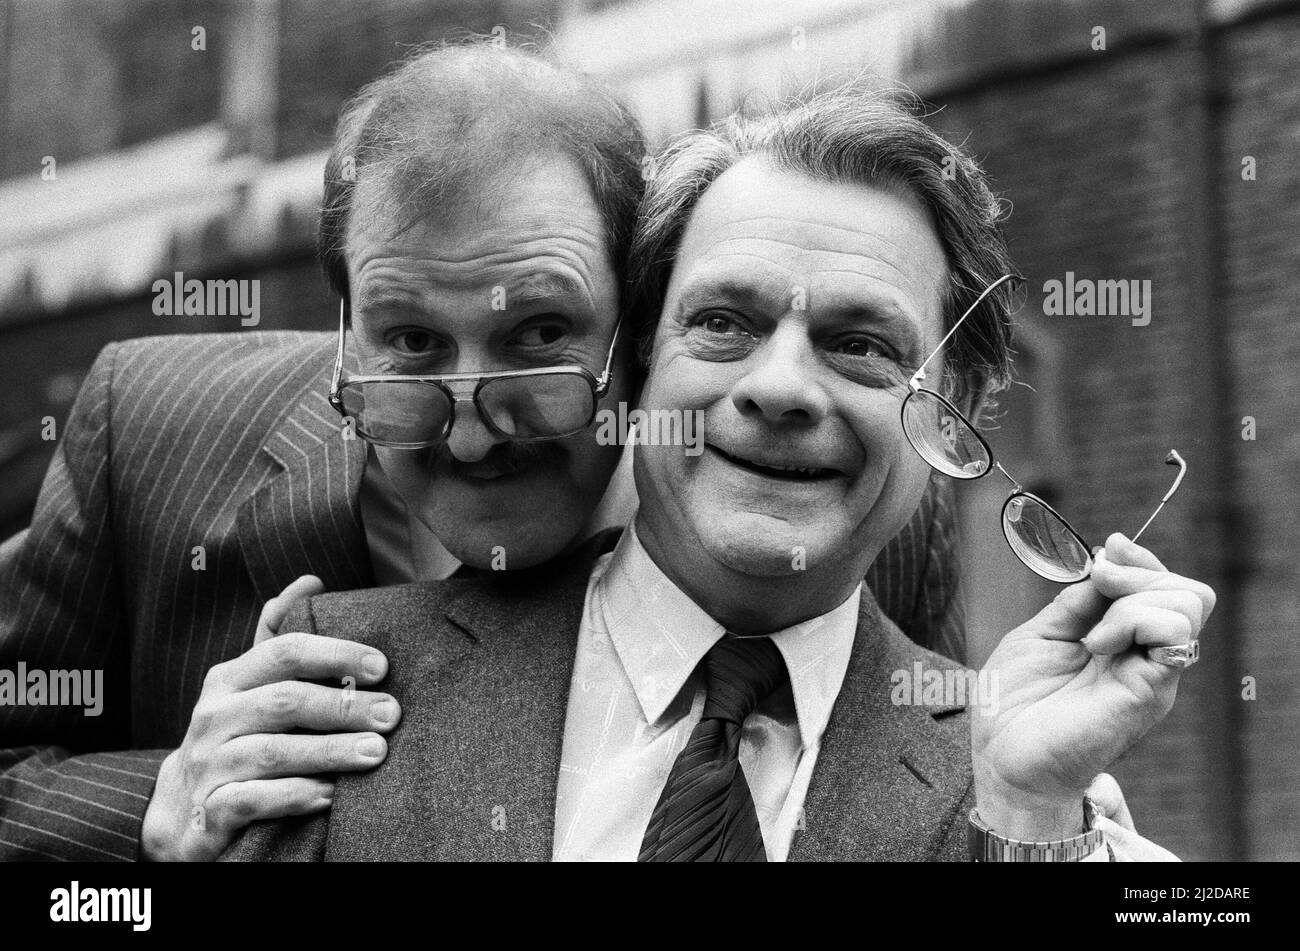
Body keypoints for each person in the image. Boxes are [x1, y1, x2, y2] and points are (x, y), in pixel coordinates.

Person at [0, 44, 965, 863]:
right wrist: (160, 821)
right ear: (347, 330)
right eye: (410, 343)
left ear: (636, 317)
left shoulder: (835, 499)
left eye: (540, 334)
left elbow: (903, 779)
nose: (469, 429)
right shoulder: (152, 428)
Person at [223, 83, 1211, 861]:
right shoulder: (339, 695)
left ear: (955, 409)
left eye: (859, 342)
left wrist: (1029, 809)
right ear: (641, 358)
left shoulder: (1025, 777)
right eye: (723, 320)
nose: (781, 386)